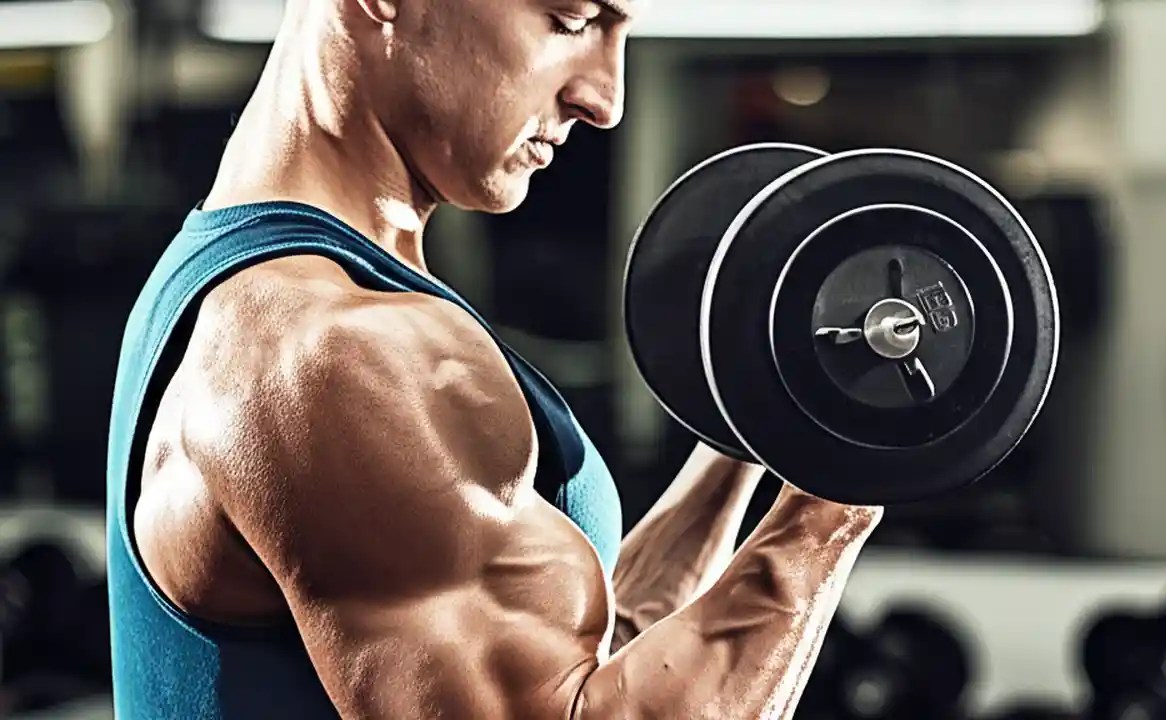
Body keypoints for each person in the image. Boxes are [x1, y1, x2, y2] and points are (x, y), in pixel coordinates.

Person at [104, 0, 883, 717]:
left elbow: (591, 668)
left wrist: (753, 429)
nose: (605, 99)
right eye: (570, 19)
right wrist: (848, 483)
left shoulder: (252, 282)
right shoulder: (332, 352)